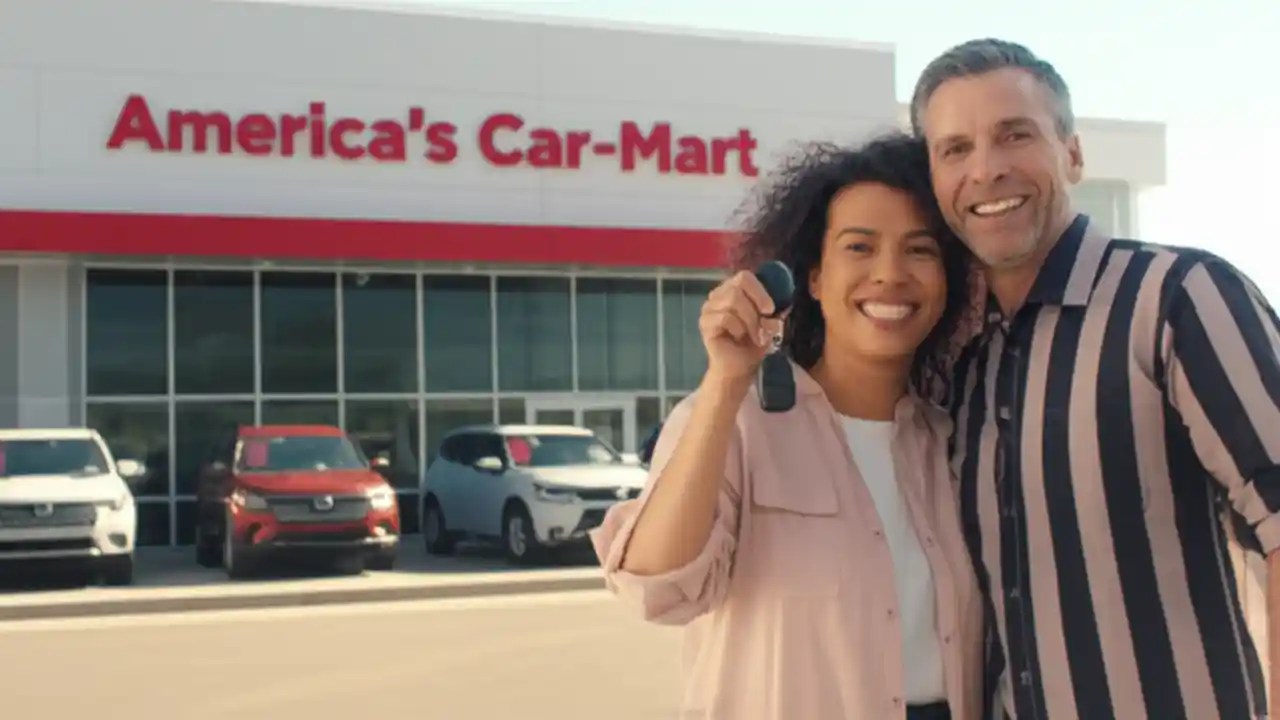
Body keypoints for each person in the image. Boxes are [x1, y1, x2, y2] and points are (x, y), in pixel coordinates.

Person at [909, 38, 1280, 720]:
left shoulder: (1178, 299)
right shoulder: (951, 357)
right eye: (955, 149)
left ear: (1073, 154)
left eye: (1014, 135)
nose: (986, 170)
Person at [590, 132, 987, 720]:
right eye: (859, 247)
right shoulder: (735, 420)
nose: (890, 273)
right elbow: (657, 587)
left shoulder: (952, 439)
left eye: (920, 250)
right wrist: (725, 382)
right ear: (815, 279)